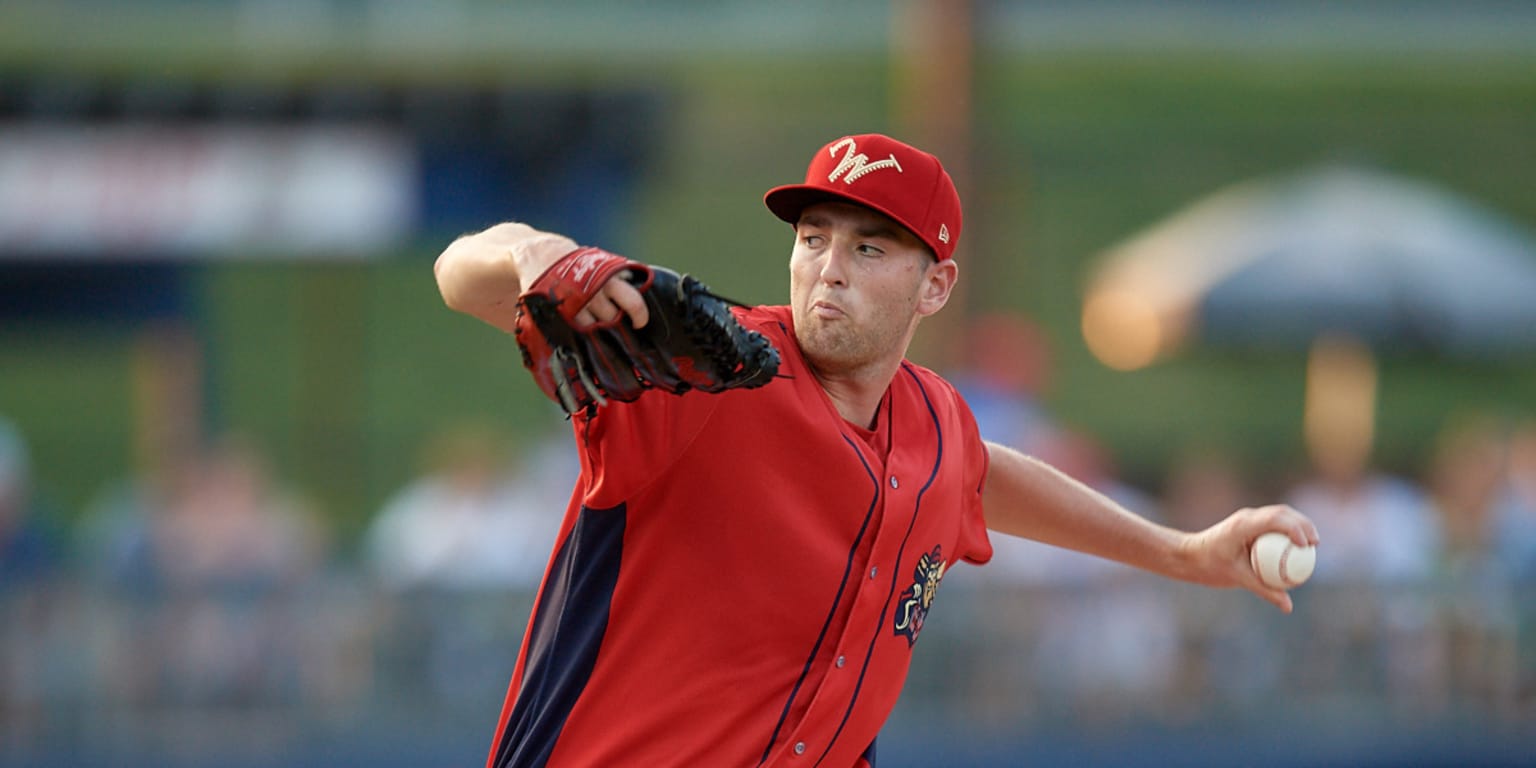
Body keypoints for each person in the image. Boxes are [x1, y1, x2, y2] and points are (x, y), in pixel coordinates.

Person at [433, 133, 1319, 768]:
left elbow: (981, 477)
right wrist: (532, 253)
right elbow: (457, 280)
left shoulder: (936, 424)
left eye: (868, 246)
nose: (829, 266)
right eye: (813, 237)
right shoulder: (702, 372)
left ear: (935, 285)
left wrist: (1184, 553)